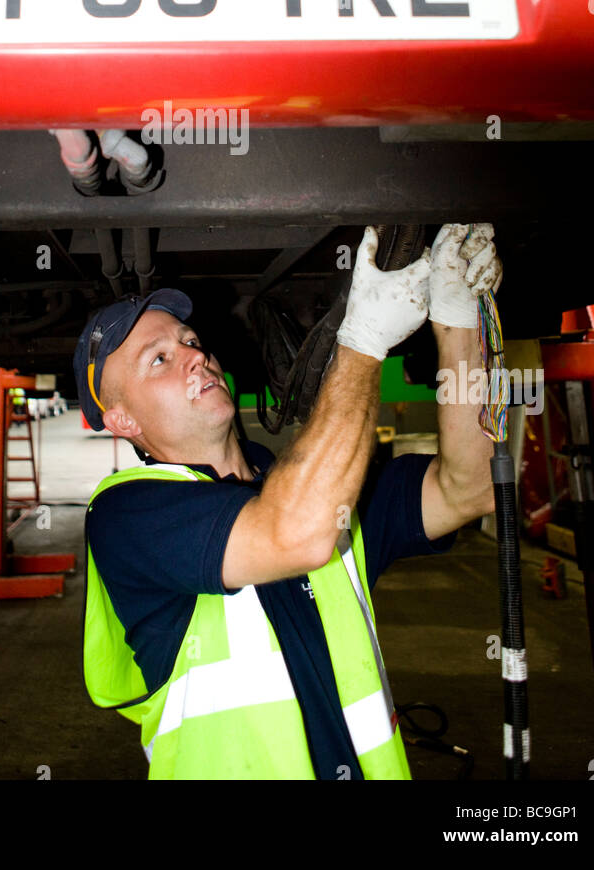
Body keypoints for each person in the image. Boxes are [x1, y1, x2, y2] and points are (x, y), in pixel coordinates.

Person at [76, 223, 502, 780]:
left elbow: (469, 487)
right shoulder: (126, 514)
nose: (194, 357)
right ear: (122, 421)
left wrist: (458, 324)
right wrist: (363, 338)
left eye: (189, 341)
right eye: (157, 360)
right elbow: (295, 531)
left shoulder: (317, 483)